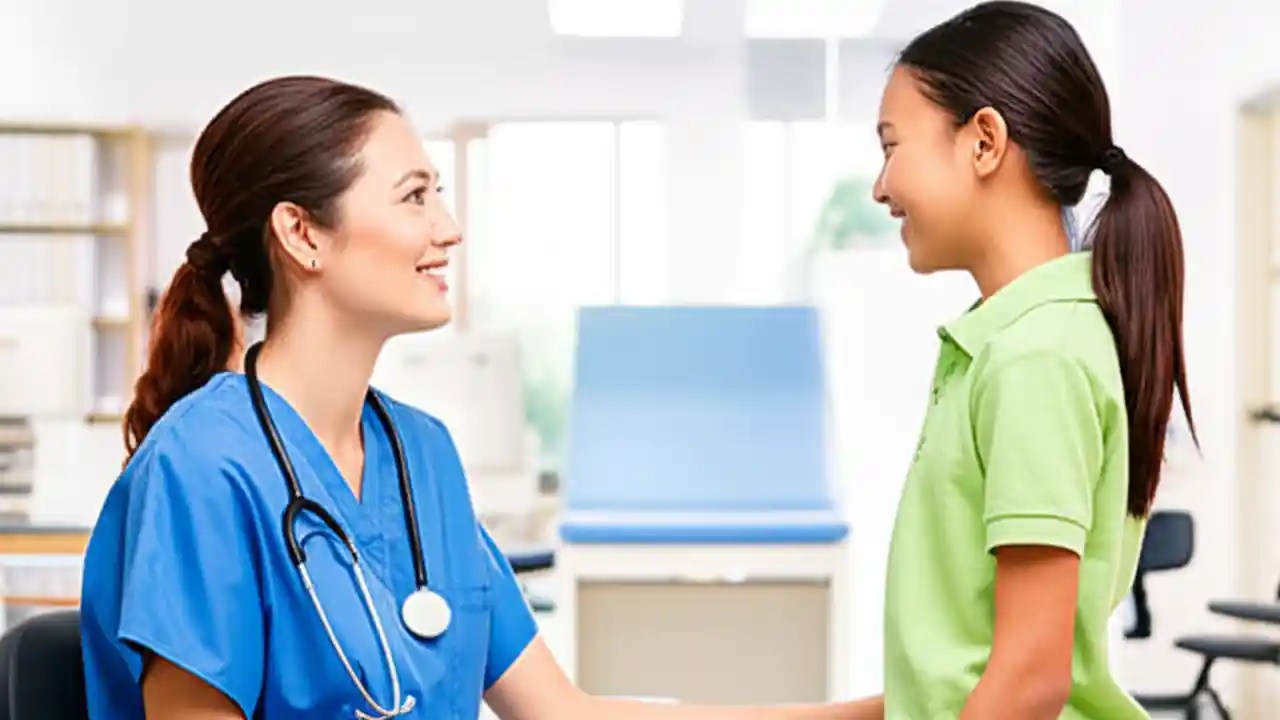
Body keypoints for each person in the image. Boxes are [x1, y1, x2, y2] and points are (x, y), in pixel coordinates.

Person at [78, 75, 878, 720]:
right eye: (415, 196)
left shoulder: (421, 454)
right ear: (303, 234)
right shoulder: (203, 466)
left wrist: (860, 716)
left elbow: (564, 713)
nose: (450, 227)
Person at [866, 2, 1196, 719]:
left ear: (984, 141)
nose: (881, 187)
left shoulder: (1036, 356)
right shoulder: (1016, 344)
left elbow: (1029, 682)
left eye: (892, 146)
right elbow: (968, 677)